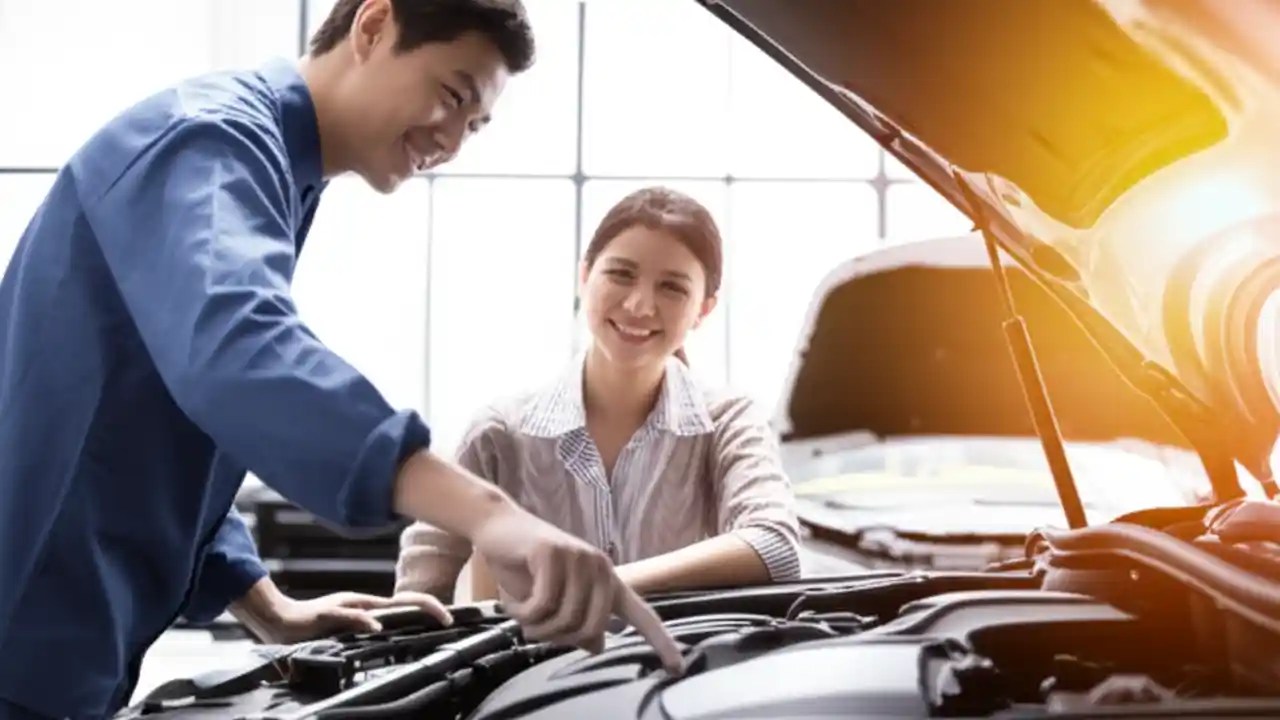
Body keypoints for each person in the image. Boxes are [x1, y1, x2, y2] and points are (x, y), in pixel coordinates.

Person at [0, 2, 680, 718]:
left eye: (474, 125)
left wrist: (267, 607)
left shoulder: (272, 166)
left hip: (63, 638)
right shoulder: (207, 138)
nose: (451, 141)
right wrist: (490, 514)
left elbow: (178, 418)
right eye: (452, 97)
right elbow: (238, 354)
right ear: (373, 25)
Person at [395, 187, 802, 604]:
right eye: (621, 274)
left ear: (704, 309)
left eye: (672, 288)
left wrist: (603, 586)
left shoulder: (729, 420)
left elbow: (775, 546)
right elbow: (418, 597)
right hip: (535, 669)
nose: (640, 305)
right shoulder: (498, 433)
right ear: (584, 276)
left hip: (689, 667)